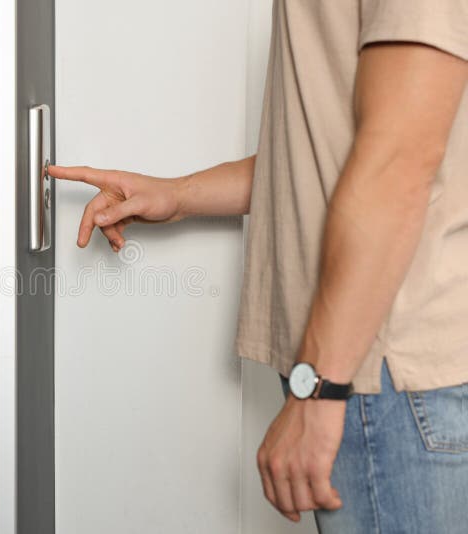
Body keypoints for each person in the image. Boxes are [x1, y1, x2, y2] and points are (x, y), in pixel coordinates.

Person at [47, 1, 468, 532]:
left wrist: (319, 388)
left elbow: (397, 162)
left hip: (382, 374)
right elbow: (330, 148)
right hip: (372, 374)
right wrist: (177, 195)